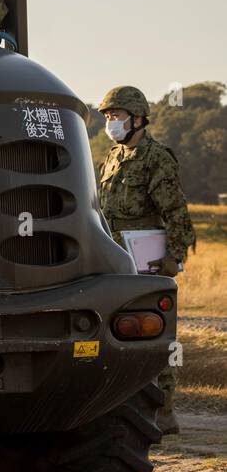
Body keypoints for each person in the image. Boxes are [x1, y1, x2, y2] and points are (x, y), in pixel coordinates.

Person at [97, 85, 195, 435]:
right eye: (108, 116)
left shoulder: (156, 158)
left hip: (148, 258)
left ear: (138, 119)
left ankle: (164, 410)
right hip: (115, 255)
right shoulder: (112, 156)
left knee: (156, 334)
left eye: (117, 116)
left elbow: (176, 212)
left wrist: (175, 256)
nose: (112, 122)